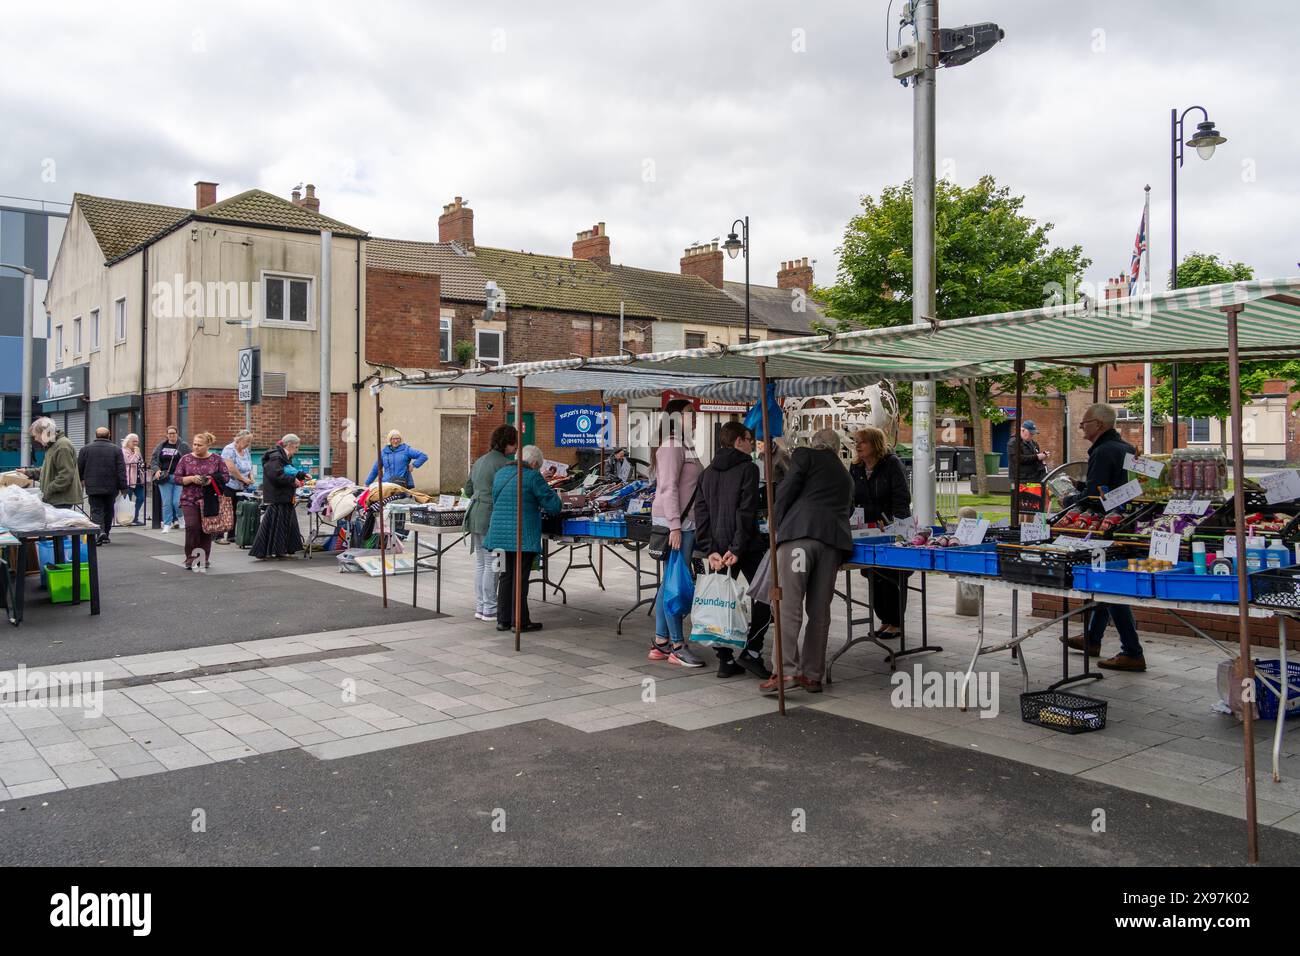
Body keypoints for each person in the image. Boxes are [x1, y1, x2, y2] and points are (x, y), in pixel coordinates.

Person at [760, 428, 853, 696]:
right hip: (832, 545)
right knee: (819, 611)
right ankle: (812, 675)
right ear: (837, 448)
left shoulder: (805, 455)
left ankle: (785, 671)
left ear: (815, 444)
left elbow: (787, 488)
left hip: (799, 537)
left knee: (787, 605)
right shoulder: (845, 474)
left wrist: (774, 523)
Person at [1065, 402, 1146, 672]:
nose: (1081, 426)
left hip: (1104, 528)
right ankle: (1092, 638)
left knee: (1109, 586)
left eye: (1085, 422)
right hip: (1127, 523)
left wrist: (1070, 498)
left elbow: (1095, 498)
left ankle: (1132, 651)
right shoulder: (1126, 448)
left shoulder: (1102, 451)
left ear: (1099, 425)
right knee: (1104, 583)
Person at [694, 421, 772, 680]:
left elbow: (701, 513)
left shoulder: (706, 473)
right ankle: (752, 651)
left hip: (717, 547)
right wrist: (737, 548)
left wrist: (709, 550)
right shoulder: (748, 469)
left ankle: (725, 658)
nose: (752, 444)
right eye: (749, 439)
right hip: (746, 545)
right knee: (766, 592)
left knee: (718, 600)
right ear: (738, 441)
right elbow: (745, 511)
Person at [649, 398, 705, 667]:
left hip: (684, 522)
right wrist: (674, 526)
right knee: (676, 583)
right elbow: (668, 487)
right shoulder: (672, 446)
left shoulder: (685, 445)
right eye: (687, 414)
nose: (692, 418)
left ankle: (661, 642)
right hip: (678, 524)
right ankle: (677, 646)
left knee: (669, 581)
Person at [484, 444, 562, 632]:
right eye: (538, 466)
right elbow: (553, 506)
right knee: (520, 578)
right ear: (534, 463)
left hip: (498, 536)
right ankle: (520, 621)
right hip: (521, 536)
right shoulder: (533, 476)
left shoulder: (501, 474)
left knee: (505, 576)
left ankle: (503, 620)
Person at [850, 426, 912, 636]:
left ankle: (896, 622)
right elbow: (852, 498)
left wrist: (896, 525)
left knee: (890, 575)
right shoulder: (856, 468)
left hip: (889, 528)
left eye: (862, 441)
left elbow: (902, 497)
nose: (857, 445)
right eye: (856, 441)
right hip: (866, 531)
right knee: (871, 573)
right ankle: (885, 619)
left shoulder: (891, 464)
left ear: (875, 443)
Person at [463, 425, 519, 622]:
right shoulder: (506, 464)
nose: (515, 449)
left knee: (480, 562)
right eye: (514, 445)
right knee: (493, 564)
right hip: (492, 517)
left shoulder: (479, 461)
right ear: (508, 443)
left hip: (474, 514)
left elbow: (468, 490)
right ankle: (491, 608)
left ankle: (481, 606)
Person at [172, 431, 231, 570]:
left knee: (206, 529)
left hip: (209, 499)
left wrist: (210, 480)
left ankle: (203, 558)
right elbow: (176, 478)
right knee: (192, 527)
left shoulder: (216, 459)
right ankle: (190, 558)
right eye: (194, 444)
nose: (196, 447)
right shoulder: (185, 459)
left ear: (208, 445)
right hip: (189, 499)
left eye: (199, 445)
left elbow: (226, 477)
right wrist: (191, 479)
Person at [250, 434, 305, 560]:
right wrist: (293, 480)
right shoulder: (276, 457)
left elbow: (287, 471)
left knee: (280, 524)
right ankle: (273, 550)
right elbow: (276, 475)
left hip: (283, 496)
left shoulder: (283, 457)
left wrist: (300, 476)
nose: (297, 450)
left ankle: (279, 549)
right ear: (290, 445)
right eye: (296, 447)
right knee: (276, 524)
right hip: (278, 496)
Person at [77, 426, 128, 545]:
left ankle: (99, 532)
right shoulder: (116, 449)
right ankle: (106, 534)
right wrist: (123, 487)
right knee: (109, 509)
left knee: (96, 510)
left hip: (93, 485)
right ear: (109, 435)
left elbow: (79, 467)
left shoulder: (85, 449)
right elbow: (121, 470)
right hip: (111, 486)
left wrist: (81, 480)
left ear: (96, 435)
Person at [23, 417, 83, 508]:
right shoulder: (53, 446)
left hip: (60, 500)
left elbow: (66, 475)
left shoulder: (62, 446)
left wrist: (49, 489)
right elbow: (47, 471)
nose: (35, 439)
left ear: (44, 432)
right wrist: (27, 472)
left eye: (35, 435)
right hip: (56, 499)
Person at [218, 430, 256, 544]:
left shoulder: (245, 450)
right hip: (228, 484)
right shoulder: (229, 449)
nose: (248, 443)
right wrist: (243, 479)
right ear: (239, 439)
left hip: (241, 486)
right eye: (247, 441)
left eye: (250, 441)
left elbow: (249, 466)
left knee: (236, 510)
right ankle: (218, 536)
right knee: (225, 509)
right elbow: (230, 468)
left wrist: (251, 478)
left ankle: (231, 535)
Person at [150, 426, 190, 532]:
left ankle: (181, 518)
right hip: (164, 478)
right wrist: (156, 470)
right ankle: (167, 524)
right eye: (169, 433)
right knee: (167, 502)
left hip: (179, 477)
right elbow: (154, 459)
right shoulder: (161, 446)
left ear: (177, 434)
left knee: (177, 502)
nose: (171, 435)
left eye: (173, 433)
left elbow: (190, 460)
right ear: (166, 435)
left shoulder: (183, 446)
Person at [122, 433, 147, 525]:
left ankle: (134, 517)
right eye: (134, 441)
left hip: (138, 479)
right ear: (128, 442)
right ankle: (126, 519)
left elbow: (140, 462)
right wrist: (136, 453)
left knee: (141, 498)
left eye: (137, 441)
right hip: (129, 480)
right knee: (127, 500)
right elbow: (130, 462)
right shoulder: (124, 451)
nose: (136, 443)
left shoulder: (137, 451)